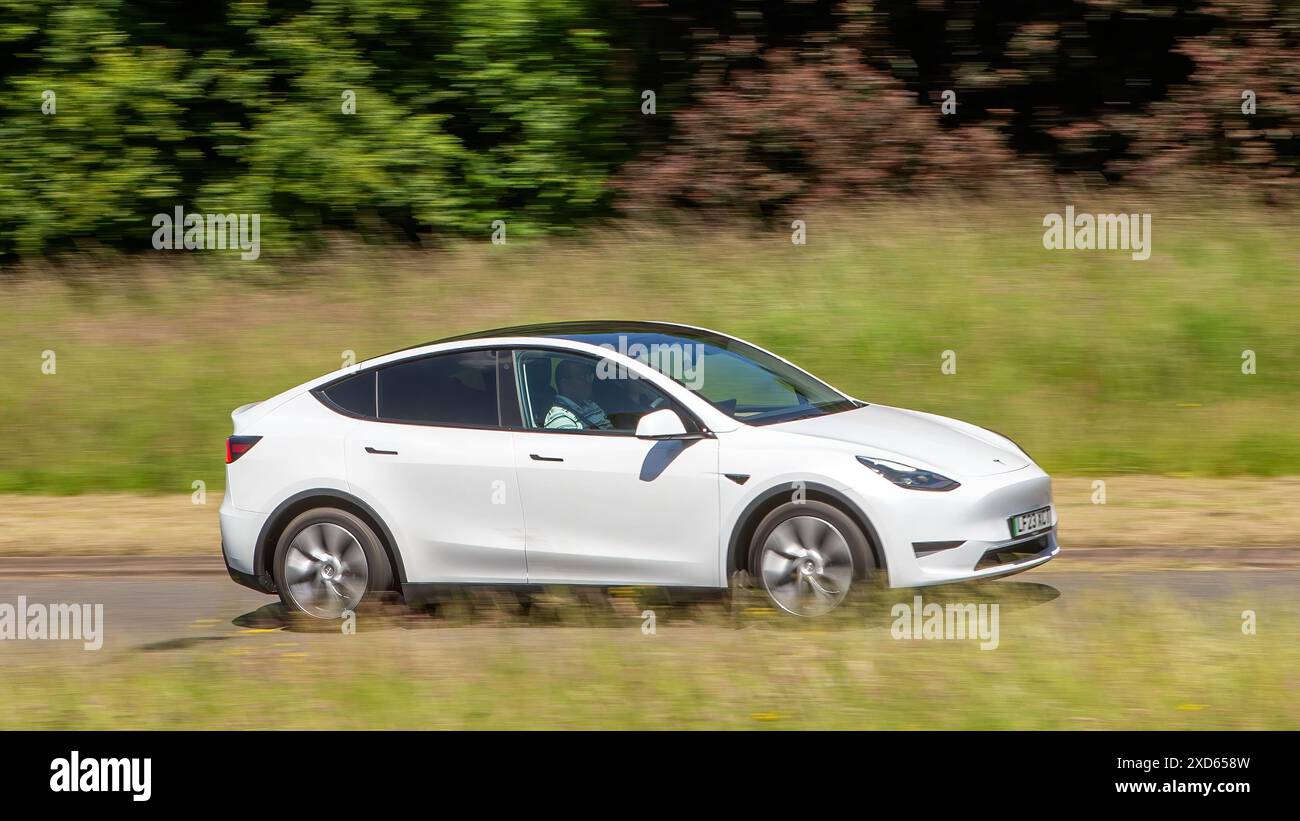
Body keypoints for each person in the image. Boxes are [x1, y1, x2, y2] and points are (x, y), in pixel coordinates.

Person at [544, 359, 614, 430]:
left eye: (590, 376)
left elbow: (610, 430)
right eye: (583, 377)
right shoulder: (560, 417)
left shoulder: (591, 405)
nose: (589, 381)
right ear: (565, 384)